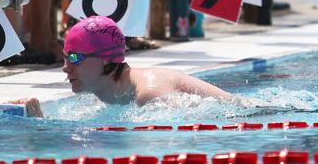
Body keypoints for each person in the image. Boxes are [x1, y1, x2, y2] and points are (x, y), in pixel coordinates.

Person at [62, 16, 234, 105]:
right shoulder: (108, 94)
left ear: (106, 59)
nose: (65, 68)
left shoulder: (150, 95)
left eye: (74, 57)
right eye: (65, 58)